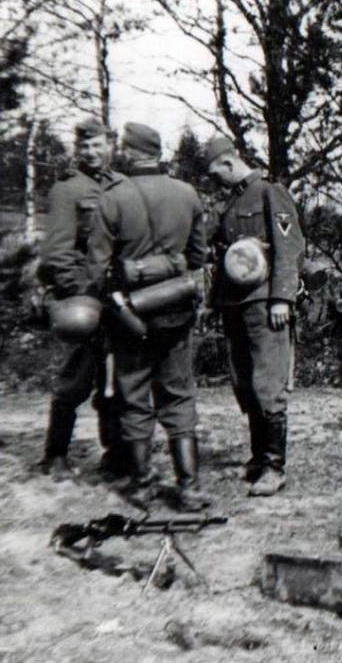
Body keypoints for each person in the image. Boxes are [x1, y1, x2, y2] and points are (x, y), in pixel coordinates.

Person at [88, 122, 209, 511]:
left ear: (127, 150)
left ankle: (142, 486)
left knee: (134, 396)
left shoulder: (112, 196)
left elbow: (96, 268)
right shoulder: (187, 194)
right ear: (158, 150)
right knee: (178, 395)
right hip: (175, 310)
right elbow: (197, 258)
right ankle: (189, 488)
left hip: (130, 316)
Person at [203, 135, 306, 497]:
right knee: (244, 383)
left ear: (229, 164)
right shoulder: (230, 203)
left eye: (216, 174)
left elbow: (289, 248)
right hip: (235, 305)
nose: (215, 182)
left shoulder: (269, 193)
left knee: (267, 383)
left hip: (264, 303)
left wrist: (282, 298)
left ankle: (275, 467)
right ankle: (258, 457)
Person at [35, 118, 125, 481]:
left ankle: (115, 455)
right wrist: (80, 292)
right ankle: (55, 454)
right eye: (84, 146)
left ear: (110, 145)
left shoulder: (122, 185)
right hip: (84, 299)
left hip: (118, 296)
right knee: (76, 378)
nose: (91, 152)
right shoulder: (67, 190)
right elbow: (56, 252)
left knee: (115, 377)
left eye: (98, 145)